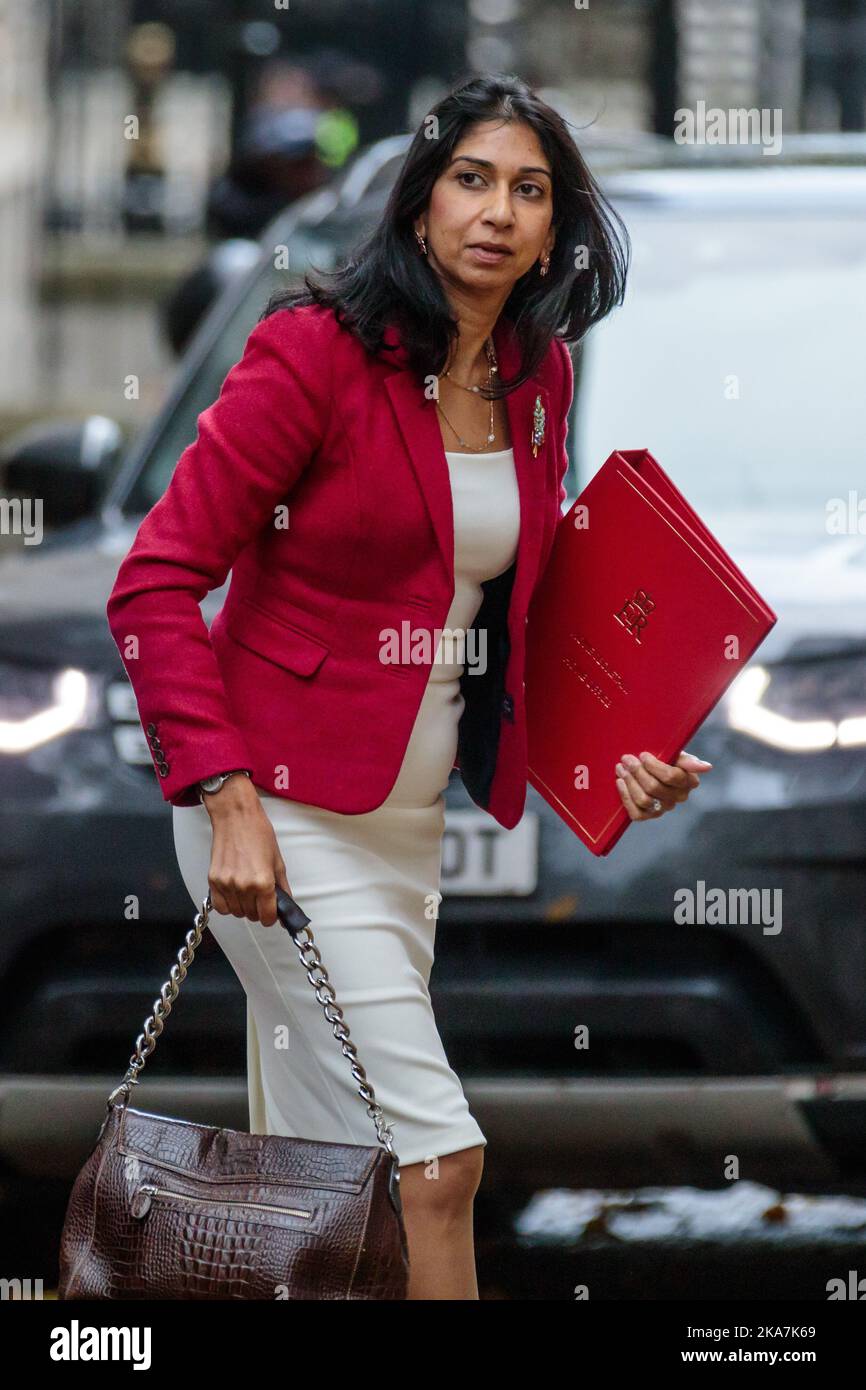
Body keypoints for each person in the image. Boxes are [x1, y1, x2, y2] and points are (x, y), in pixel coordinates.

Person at [106, 72, 712, 1301]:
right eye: (470, 179)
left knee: (343, 1173)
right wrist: (224, 797)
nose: (496, 211)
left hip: (403, 825)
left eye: (528, 189)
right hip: (277, 816)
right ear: (420, 202)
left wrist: (618, 755)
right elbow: (154, 582)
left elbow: (514, 612)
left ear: (556, 229)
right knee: (437, 1160)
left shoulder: (535, 379)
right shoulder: (312, 358)